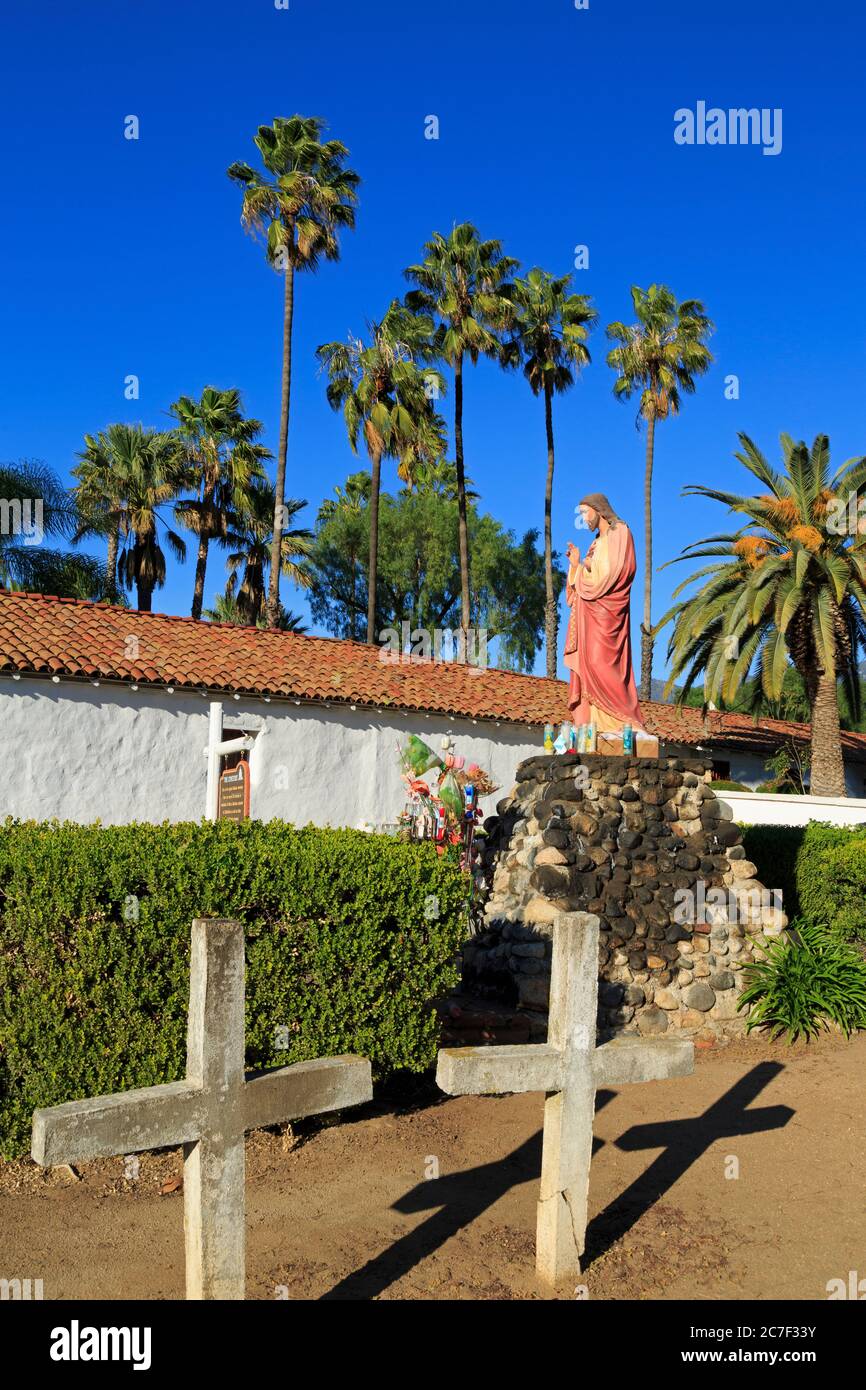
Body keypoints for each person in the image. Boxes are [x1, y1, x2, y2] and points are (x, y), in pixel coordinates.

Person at [564, 493, 645, 733]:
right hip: (591, 614)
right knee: (589, 664)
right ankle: (596, 725)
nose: (583, 519)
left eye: (585, 513)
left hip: (608, 613)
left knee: (602, 663)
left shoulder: (620, 532)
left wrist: (582, 571)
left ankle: (624, 721)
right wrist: (577, 565)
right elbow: (590, 576)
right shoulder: (596, 543)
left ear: (598, 509)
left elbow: (616, 571)